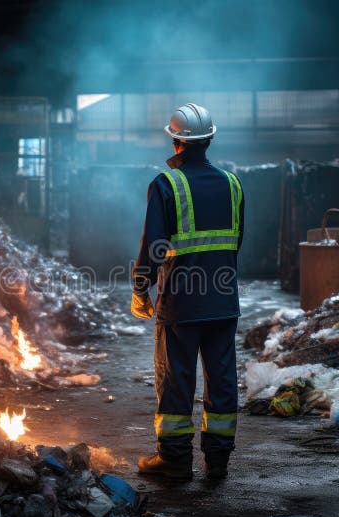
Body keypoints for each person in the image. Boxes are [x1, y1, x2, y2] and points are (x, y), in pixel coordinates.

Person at [131, 103, 245, 479]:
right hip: (224, 301)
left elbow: (154, 245)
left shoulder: (166, 184)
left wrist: (140, 288)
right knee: (223, 380)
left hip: (181, 304)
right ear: (210, 138)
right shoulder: (233, 184)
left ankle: (175, 461)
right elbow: (235, 242)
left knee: (176, 381)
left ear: (175, 139)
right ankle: (217, 462)